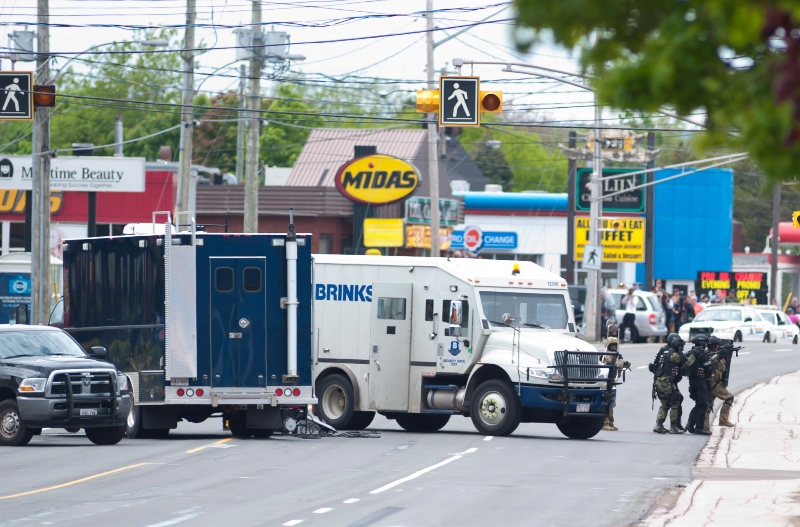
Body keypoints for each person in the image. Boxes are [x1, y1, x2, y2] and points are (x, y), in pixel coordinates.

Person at [650, 333, 691, 434]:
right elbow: (686, 362)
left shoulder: (662, 350)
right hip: (667, 382)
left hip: (658, 382)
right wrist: (682, 351)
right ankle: (673, 427)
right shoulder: (673, 354)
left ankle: (658, 425)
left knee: (665, 404)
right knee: (675, 403)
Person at [601, 323, 630, 431]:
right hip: (605, 382)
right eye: (612, 344)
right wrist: (622, 363)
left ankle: (611, 421)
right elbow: (615, 363)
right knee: (607, 401)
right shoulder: (607, 355)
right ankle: (604, 422)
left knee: (612, 401)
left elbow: (619, 365)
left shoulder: (615, 355)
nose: (614, 346)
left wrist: (624, 364)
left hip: (611, 381)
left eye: (615, 344)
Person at [684, 334, 715, 435]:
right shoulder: (702, 353)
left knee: (699, 403)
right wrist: (715, 360)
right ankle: (699, 427)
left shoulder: (691, 352)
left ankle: (690, 423)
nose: (706, 345)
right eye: (706, 343)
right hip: (700, 381)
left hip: (692, 381)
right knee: (703, 404)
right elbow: (709, 368)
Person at [704, 336, 735, 430]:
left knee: (708, 405)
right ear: (715, 346)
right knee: (729, 398)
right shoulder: (713, 356)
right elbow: (719, 366)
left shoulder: (705, 354)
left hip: (709, 384)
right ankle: (723, 419)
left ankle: (705, 426)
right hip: (715, 384)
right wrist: (721, 356)